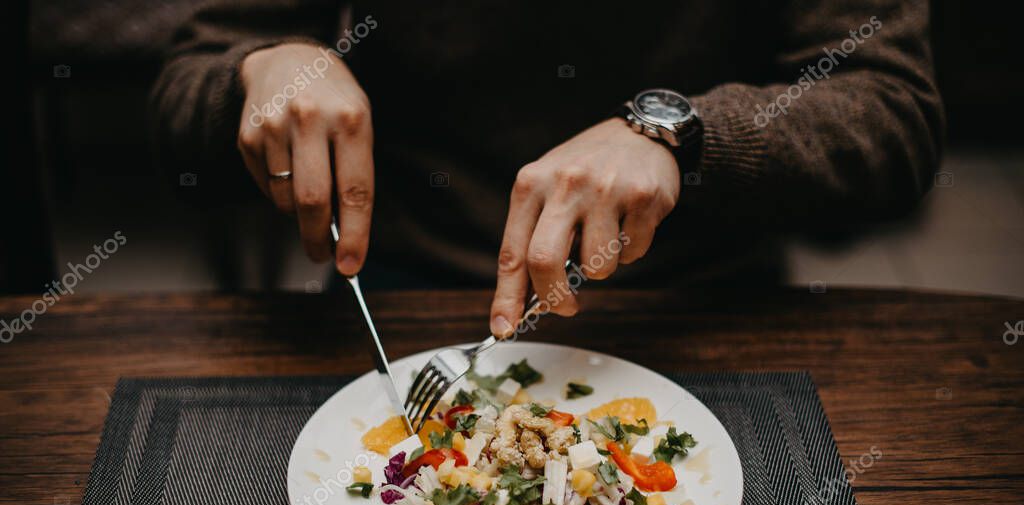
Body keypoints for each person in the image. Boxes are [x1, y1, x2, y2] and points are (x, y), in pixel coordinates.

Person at [151, 1, 943, 336]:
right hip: (406, 292)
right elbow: (183, 93)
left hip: (706, 301)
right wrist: (260, 71)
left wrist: (682, 133)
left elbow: (892, 110)